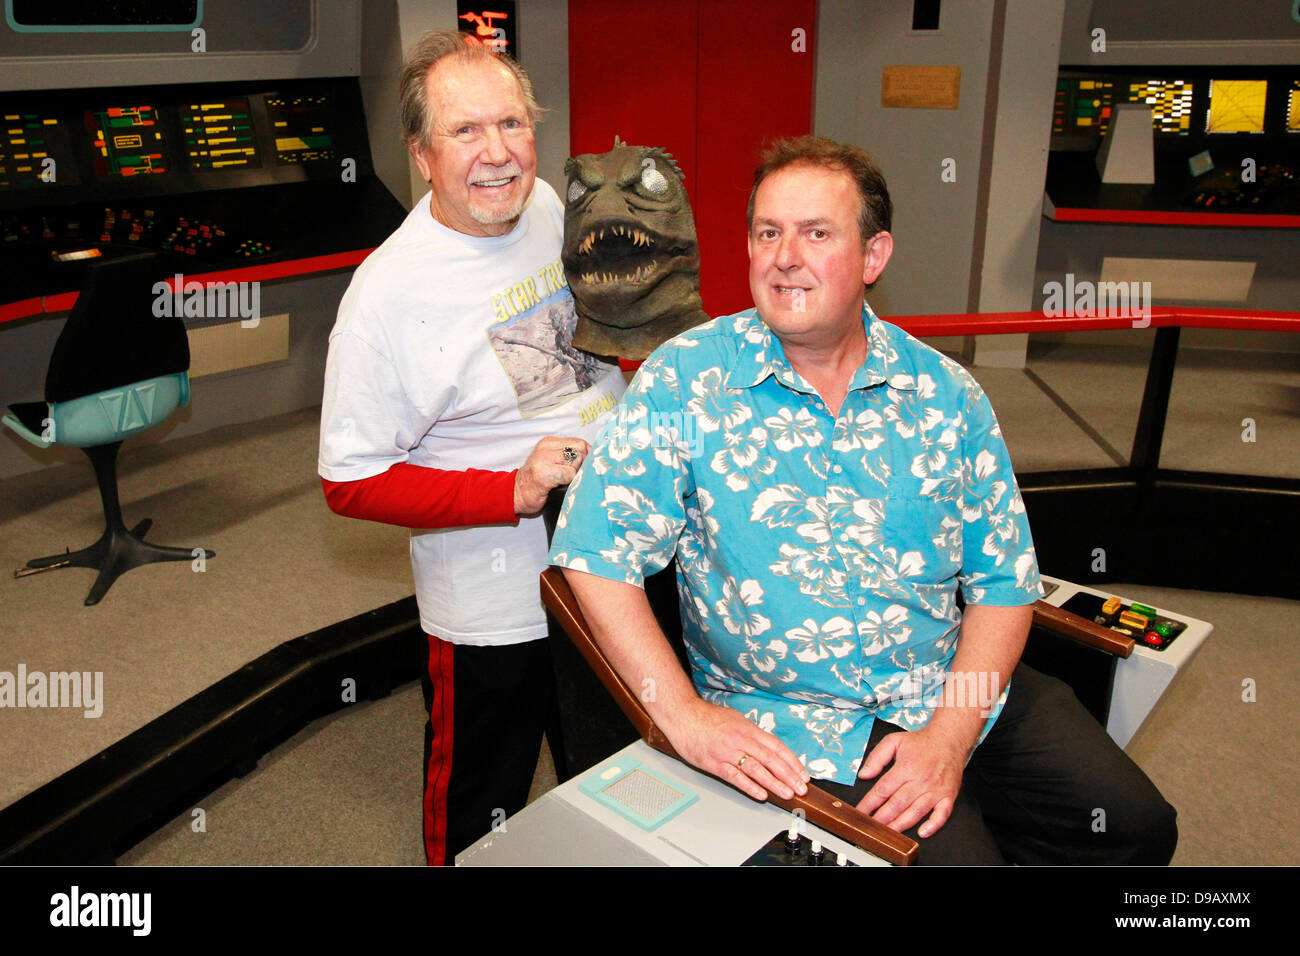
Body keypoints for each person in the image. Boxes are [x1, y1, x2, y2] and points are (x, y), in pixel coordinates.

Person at [549, 135, 1176, 865]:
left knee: (1135, 823)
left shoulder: (947, 395)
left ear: (873, 257)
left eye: (817, 233)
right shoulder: (685, 381)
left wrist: (950, 735)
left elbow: (1005, 585)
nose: (785, 256)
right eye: (768, 232)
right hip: (792, 720)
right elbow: (595, 556)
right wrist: (684, 715)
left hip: (950, 683)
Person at [318, 30, 624, 865]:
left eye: (513, 124)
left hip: (611, 572)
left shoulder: (549, 211)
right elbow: (350, 483)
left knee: (621, 780)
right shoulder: (385, 296)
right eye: (466, 132)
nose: (499, 154)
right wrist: (510, 491)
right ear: (421, 153)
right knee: (481, 814)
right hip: (496, 610)